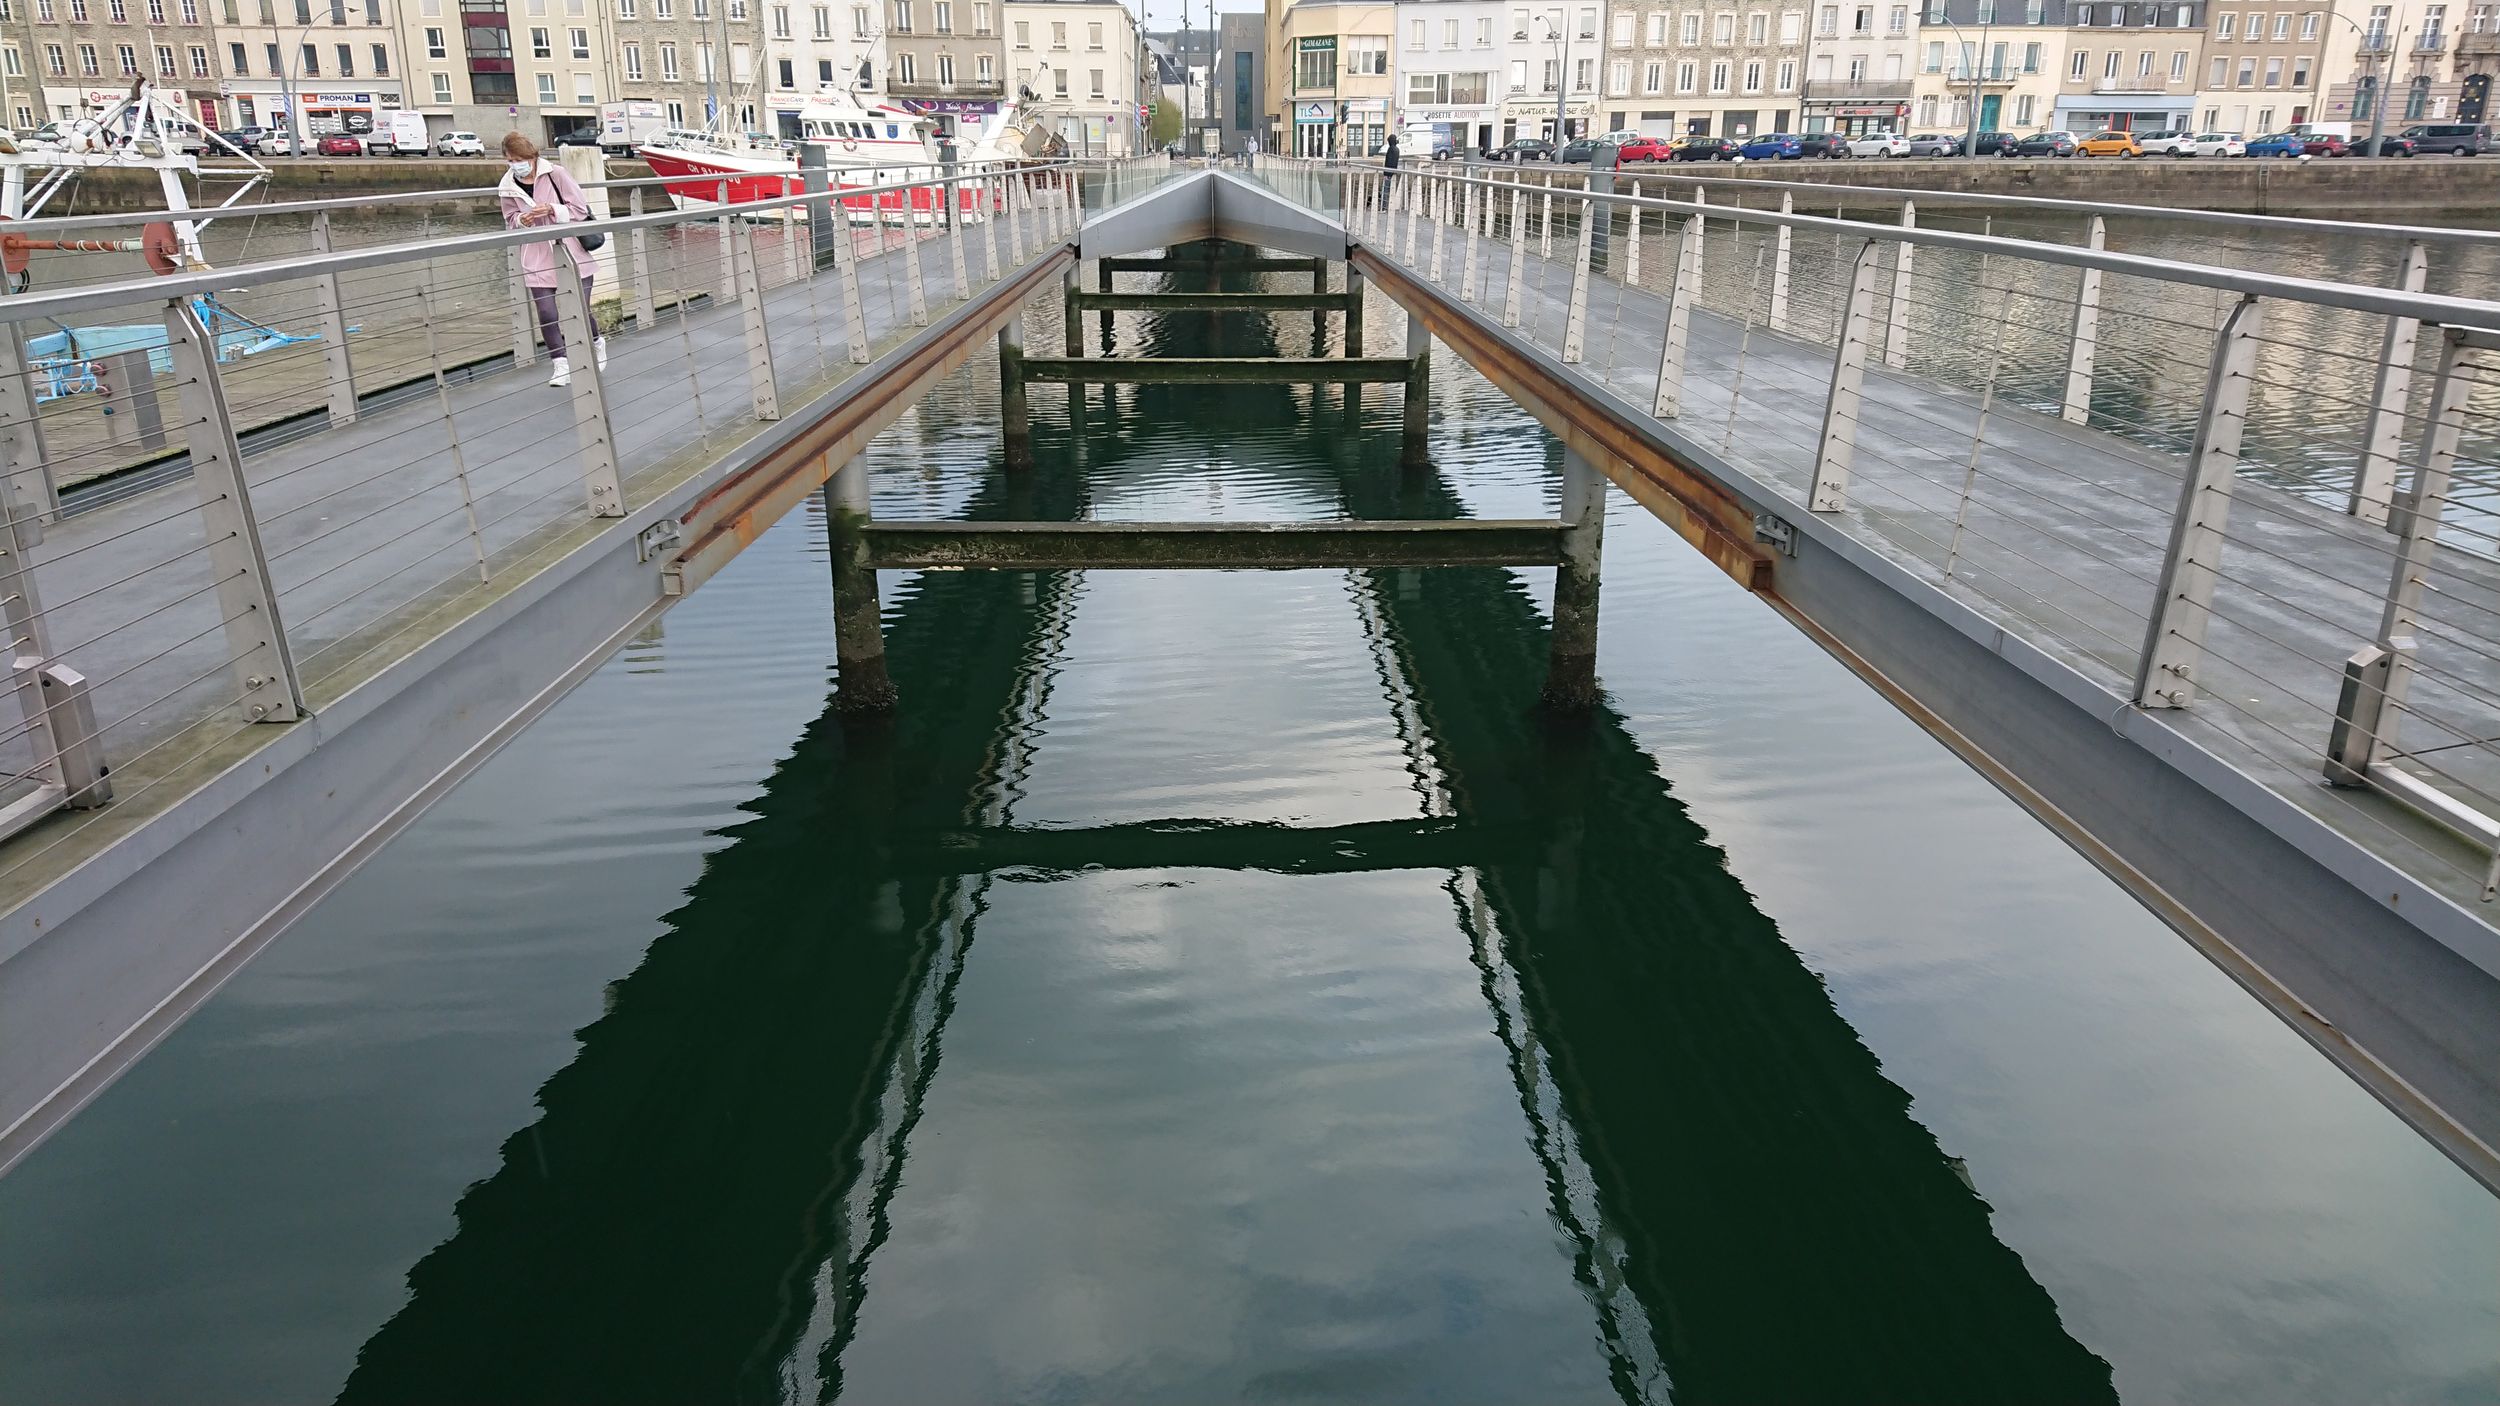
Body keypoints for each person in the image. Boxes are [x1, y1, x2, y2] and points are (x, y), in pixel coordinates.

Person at [497, 132, 603, 388]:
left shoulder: (556, 173)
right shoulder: (506, 186)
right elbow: (509, 219)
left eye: (521, 159)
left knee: (579, 307)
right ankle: (560, 364)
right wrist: (523, 220)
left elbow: (579, 208)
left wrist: (552, 209)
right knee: (546, 312)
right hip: (535, 255)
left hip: (570, 251)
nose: (516, 164)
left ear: (533, 157)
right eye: (511, 160)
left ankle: (597, 344)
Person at [1377, 132, 1400, 206]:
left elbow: (1388, 162)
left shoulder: (1390, 149)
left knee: (1385, 190)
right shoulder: (1397, 149)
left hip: (1388, 173)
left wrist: (1385, 174)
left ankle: (1384, 206)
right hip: (1394, 172)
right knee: (1392, 189)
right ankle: (1391, 205)